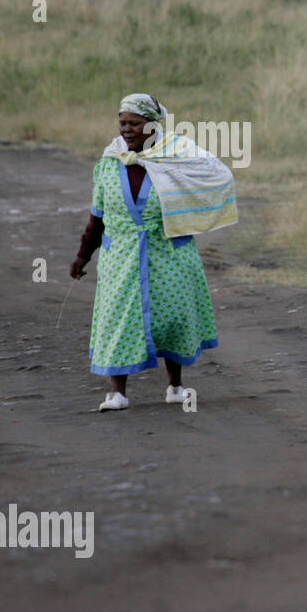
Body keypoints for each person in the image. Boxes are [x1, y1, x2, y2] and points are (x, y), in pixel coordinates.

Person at [70, 93, 236, 411]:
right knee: (119, 321)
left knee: (173, 320)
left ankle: (175, 386)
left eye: (134, 123)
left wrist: (193, 218)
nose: (127, 129)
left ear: (153, 126)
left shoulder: (178, 158)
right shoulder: (108, 165)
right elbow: (97, 218)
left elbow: (217, 177)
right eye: (122, 123)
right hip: (121, 259)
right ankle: (118, 392)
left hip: (170, 254)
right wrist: (83, 256)